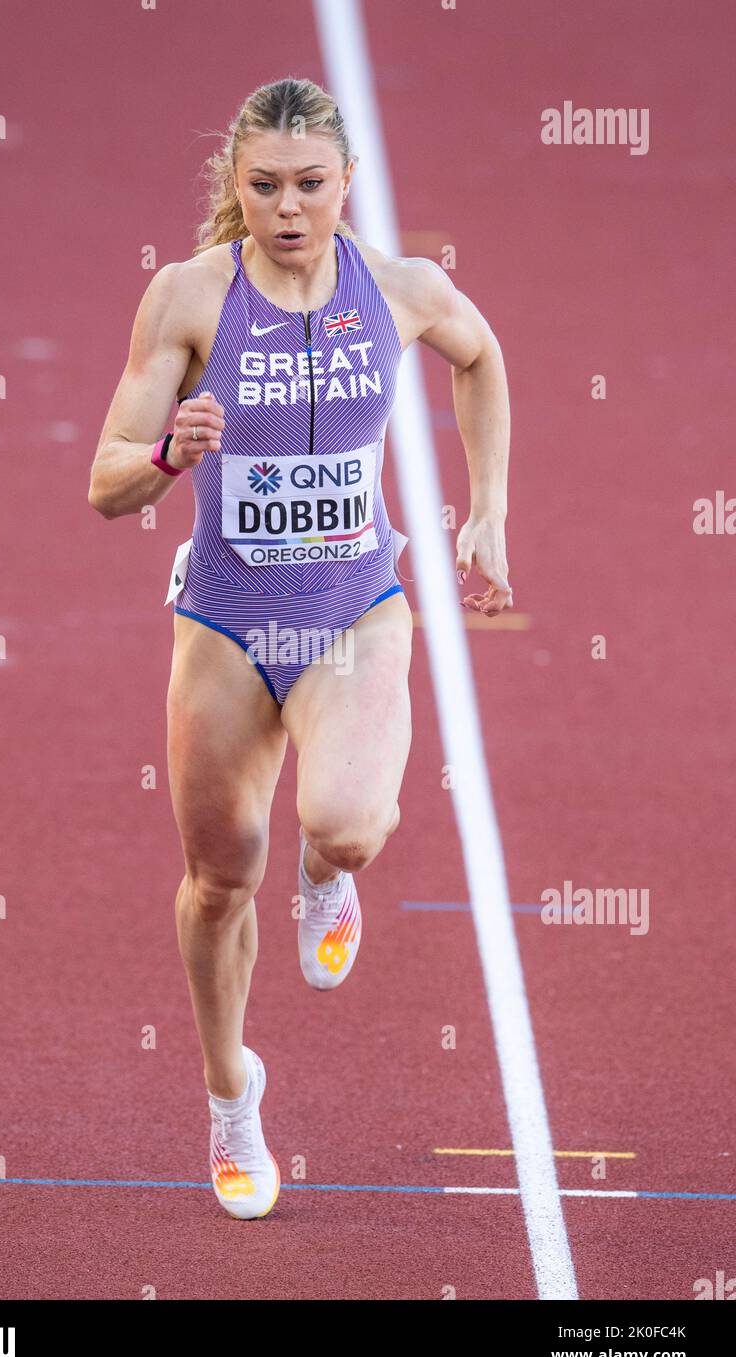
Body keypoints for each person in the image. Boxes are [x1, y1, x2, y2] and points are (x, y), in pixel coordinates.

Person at [88, 77, 511, 1220]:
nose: (287, 209)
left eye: (309, 186)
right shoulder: (186, 298)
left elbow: (480, 357)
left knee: (348, 825)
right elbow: (103, 485)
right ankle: (232, 1095)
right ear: (234, 185)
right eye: (264, 186)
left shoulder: (403, 289)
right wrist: (171, 457)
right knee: (219, 878)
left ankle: (325, 881)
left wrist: (485, 509)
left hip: (351, 608)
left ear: (347, 185)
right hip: (224, 618)